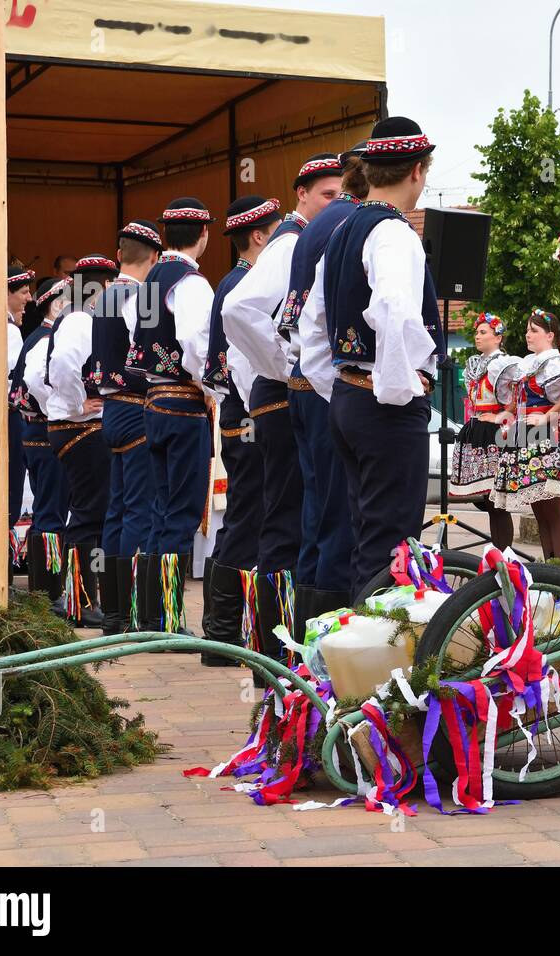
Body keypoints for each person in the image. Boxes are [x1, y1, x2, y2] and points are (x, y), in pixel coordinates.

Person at [224, 154, 345, 648]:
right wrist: (282, 363)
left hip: (281, 392)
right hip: (282, 394)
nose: (335, 203)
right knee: (285, 520)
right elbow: (239, 309)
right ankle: (271, 642)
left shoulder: (302, 238)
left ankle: (273, 639)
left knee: (292, 518)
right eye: (327, 195)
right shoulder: (291, 241)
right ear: (301, 194)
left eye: (341, 195)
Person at [323, 116, 442, 597]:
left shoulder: (343, 230)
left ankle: (360, 656)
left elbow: (313, 321)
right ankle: (377, 662)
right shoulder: (393, 233)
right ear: (417, 169)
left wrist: (337, 377)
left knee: (368, 537)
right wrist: (398, 390)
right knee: (392, 543)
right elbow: (393, 310)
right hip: (382, 402)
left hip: (350, 396)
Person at [50, 225, 161, 635]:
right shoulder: (102, 308)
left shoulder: (95, 309)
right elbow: (61, 365)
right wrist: (78, 401)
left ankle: (106, 606)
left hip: (103, 417)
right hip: (93, 420)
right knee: (106, 511)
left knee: (107, 511)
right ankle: (101, 602)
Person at [126, 198, 217, 634]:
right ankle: (166, 619)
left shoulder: (151, 280)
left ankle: (149, 616)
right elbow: (198, 344)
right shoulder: (191, 281)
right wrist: (211, 386)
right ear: (203, 235)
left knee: (161, 513)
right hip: (183, 403)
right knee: (180, 515)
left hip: (153, 401)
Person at [201, 195, 282, 666]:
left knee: (247, 514)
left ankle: (224, 630)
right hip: (249, 415)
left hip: (236, 414)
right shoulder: (246, 284)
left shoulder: (230, 283)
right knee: (253, 515)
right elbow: (239, 361)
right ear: (259, 236)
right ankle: (225, 633)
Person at [289, 144, 369, 613]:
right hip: (324, 387)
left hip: (303, 382)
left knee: (317, 517)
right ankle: (327, 651)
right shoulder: (348, 223)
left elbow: (294, 321)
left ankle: (303, 642)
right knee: (337, 519)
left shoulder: (316, 224)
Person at [39, 255, 119, 628]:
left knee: (90, 512)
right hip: (80, 427)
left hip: (74, 426)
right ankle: (80, 601)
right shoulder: (79, 319)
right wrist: (77, 404)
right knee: (89, 514)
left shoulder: (77, 318)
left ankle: (79, 598)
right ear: (100, 287)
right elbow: (63, 365)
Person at [491, 309, 560, 558]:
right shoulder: (527, 364)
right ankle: (548, 569)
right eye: (528, 329)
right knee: (539, 509)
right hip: (526, 436)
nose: (528, 335)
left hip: (546, 437)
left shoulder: (557, 362)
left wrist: (548, 415)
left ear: (550, 336)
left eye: (534, 330)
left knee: (552, 508)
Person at [10, 275, 69, 605]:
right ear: (56, 304)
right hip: (44, 432)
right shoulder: (46, 337)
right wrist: (59, 409)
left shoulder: (38, 336)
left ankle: (42, 592)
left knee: (49, 509)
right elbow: (33, 379)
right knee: (51, 511)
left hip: (35, 432)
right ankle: (48, 595)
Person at [449, 313, 520, 550]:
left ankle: (505, 555)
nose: (477, 336)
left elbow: (519, 396)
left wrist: (502, 415)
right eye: (477, 332)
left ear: (498, 337)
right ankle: (498, 556)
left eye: (483, 332)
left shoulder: (504, 364)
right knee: (488, 501)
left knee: (497, 500)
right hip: (478, 429)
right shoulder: (475, 364)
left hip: (494, 434)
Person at [6, 261, 32, 578]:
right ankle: (4, 577)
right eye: (23, 291)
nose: (28, 298)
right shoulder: (10, 331)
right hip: (10, 418)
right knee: (10, 494)